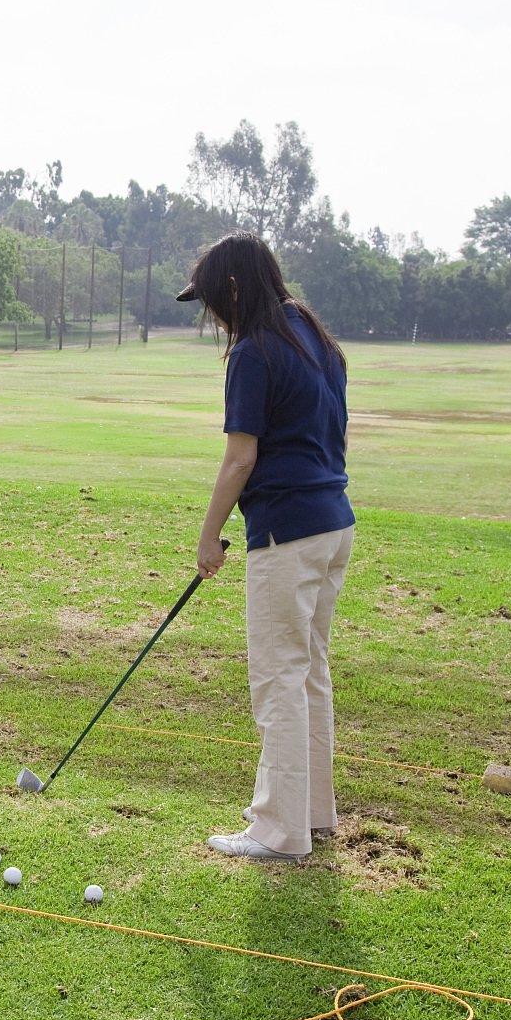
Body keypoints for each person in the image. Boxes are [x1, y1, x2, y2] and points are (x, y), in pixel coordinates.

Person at [178, 231, 354, 864]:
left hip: (288, 529)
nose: (211, 318)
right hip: (334, 523)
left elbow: (239, 459)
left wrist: (207, 535)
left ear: (232, 289)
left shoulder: (255, 352)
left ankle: (279, 831)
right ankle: (310, 816)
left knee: (279, 676)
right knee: (308, 673)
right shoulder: (314, 335)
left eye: (210, 302)